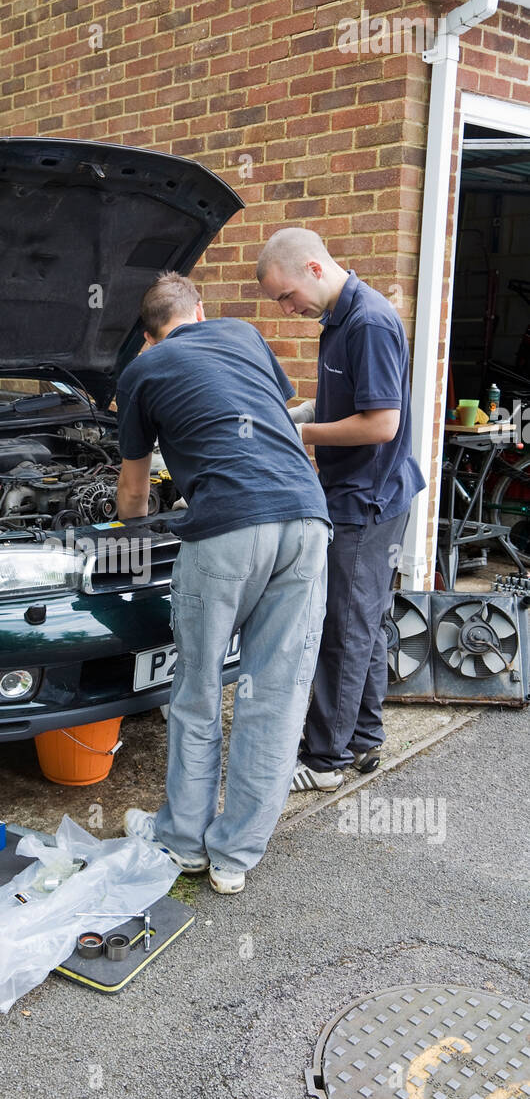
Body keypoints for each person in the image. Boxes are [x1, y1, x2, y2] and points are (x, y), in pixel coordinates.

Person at [115, 271, 331, 894]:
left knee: (199, 684)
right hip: (306, 519)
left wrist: (132, 523)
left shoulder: (142, 371)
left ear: (149, 337)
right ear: (200, 311)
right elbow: (278, 418)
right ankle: (234, 856)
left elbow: (133, 491)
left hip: (227, 529)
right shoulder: (241, 331)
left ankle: (182, 840)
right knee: (277, 690)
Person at [256, 228, 426, 791]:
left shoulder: (369, 322)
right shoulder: (338, 320)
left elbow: (382, 423)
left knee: (344, 626)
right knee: (368, 621)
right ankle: (363, 739)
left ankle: (324, 759)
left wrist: (302, 431)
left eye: (286, 295)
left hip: (368, 499)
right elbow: (345, 400)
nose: (287, 308)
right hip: (364, 492)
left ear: (312, 267)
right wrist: (298, 410)